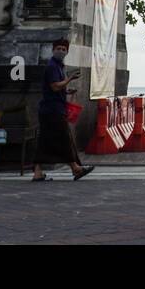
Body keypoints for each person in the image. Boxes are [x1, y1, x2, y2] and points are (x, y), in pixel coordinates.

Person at [32, 39, 95, 182]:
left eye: (63, 49)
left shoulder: (59, 66)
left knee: (45, 141)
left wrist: (66, 91)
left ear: (67, 52)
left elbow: (55, 88)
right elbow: (54, 86)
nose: (61, 51)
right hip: (52, 110)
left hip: (52, 108)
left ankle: (37, 172)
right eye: (58, 48)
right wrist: (70, 79)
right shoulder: (52, 66)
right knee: (65, 139)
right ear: (53, 50)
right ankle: (75, 168)